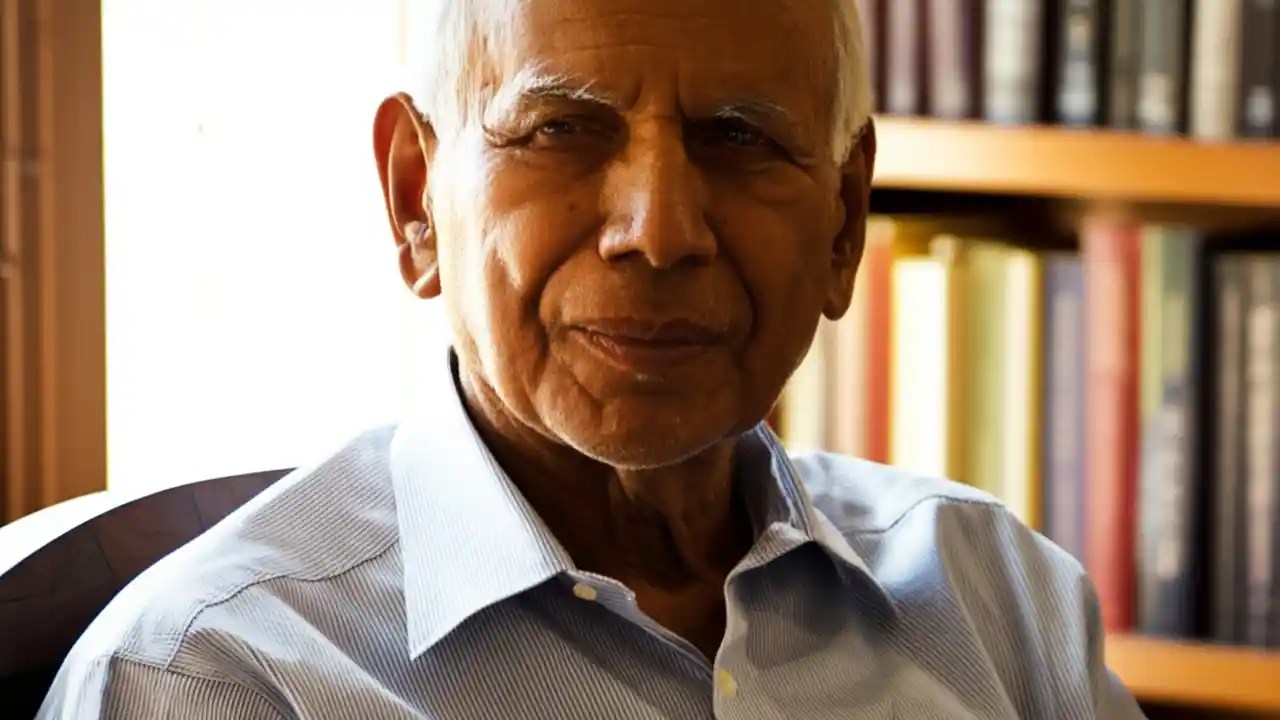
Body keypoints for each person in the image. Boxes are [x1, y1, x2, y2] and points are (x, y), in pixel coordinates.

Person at [40, 0, 1145, 717]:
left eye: (737, 137)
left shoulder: (999, 600)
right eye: (560, 131)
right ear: (418, 202)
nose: (658, 231)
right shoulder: (211, 681)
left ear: (844, 224)